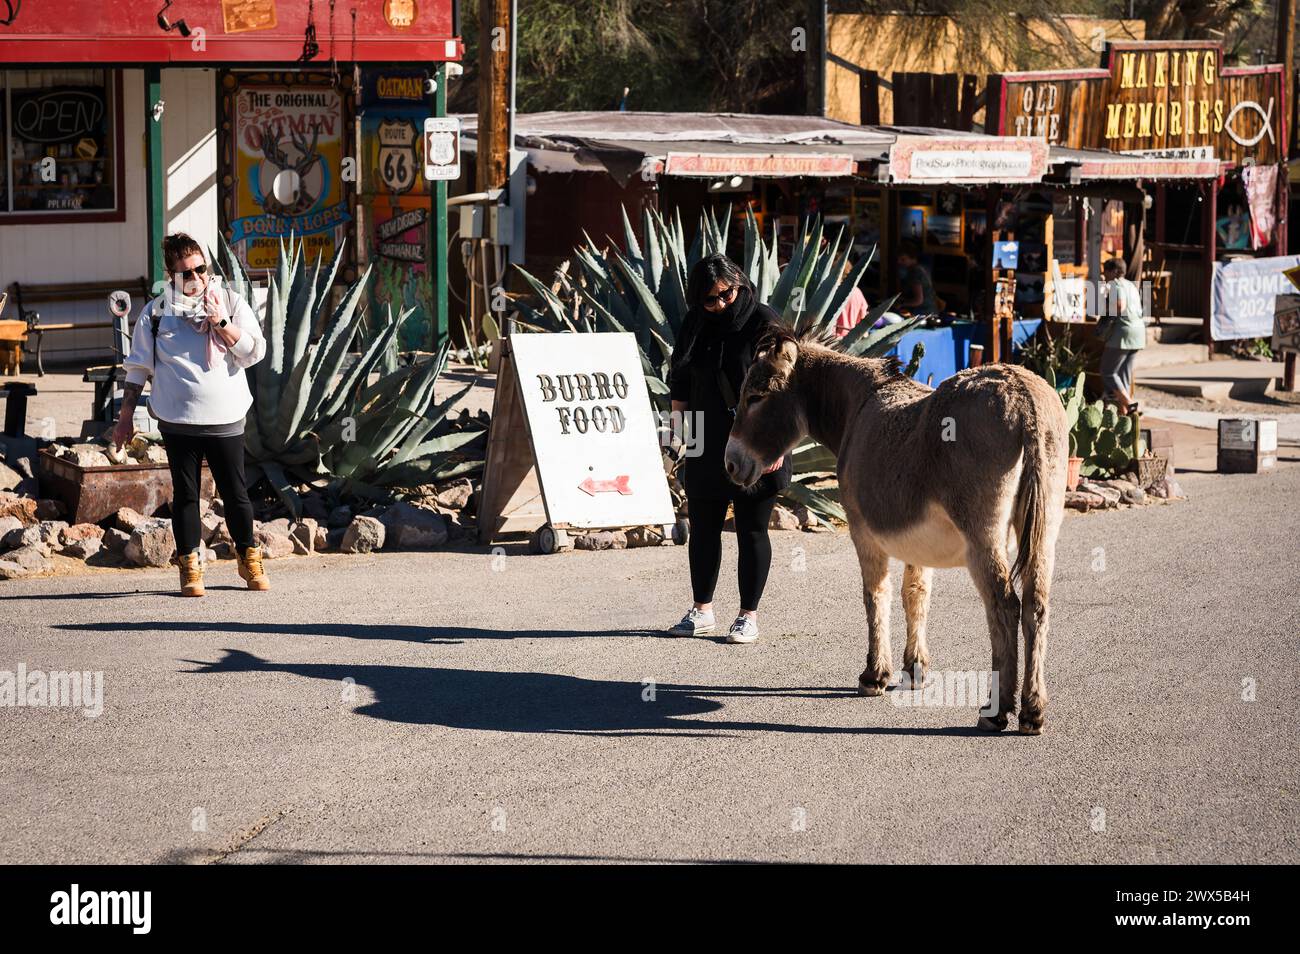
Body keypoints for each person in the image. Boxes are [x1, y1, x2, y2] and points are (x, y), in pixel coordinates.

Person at [114, 233, 269, 596]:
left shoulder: (230, 302)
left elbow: (254, 351)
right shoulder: (155, 313)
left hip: (226, 418)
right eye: (186, 273)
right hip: (178, 420)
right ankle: (190, 568)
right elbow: (137, 369)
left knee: (235, 493)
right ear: (171, 275)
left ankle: (249, 560)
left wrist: (221, 323)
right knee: (185, 495)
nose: (195, 278)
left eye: (201, 269)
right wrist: (123, 420)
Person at [666, 253, 792, 644]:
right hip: (705, 431)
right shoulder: (695, 324)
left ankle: (747, 615)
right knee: (703, 524)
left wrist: (778, 445)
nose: (721, 304)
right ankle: (701, 609)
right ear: (696, 300)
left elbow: (787, 386)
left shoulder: (765, 322)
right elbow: (680, 380)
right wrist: (675, 434)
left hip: (756, 437)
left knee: (752, 528)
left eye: (727, 294)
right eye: (710, 299)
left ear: (740, 283)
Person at [1098, 257, 1147, 415]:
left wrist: (1102, 306)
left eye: (1105, 270)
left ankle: (1130, 403)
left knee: (1107, 371)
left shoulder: (1115, 284)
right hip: (1138, 332)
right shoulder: (1131, 285)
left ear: (1114, 271)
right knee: (1123, 375)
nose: (1104, 274)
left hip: (1122, 333)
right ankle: (1125, 412)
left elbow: (1120, 306)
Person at [896, 239, 936, 315]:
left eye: (903, 259)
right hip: (932, 311)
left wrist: (901, 304)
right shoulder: (923, 268)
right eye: (898, 259)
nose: (899, 262)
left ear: (913, 258)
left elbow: (918, 300)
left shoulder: (915, 273)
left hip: (924, 313)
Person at [834, 260, 870, 338]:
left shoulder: (829, 292)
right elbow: (863, 318)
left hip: (829, 341)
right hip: (851, 340)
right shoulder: (857, 291)